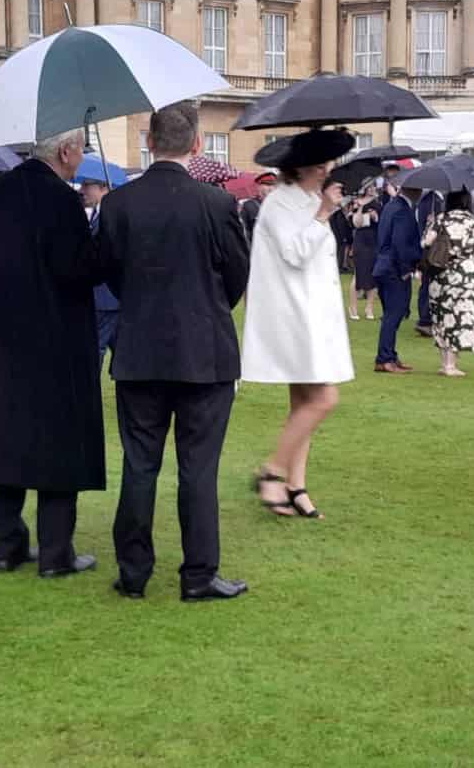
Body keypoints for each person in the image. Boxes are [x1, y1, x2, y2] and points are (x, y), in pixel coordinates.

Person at [99, 103, 251, 600]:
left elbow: (111, 273)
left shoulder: (123, 203)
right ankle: (198, 575)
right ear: (196, 144)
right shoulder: (212, 203)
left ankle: (135, 571)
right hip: (200, 351)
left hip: (143, 347)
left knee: (141, 464)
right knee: (197, 468)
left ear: (149, 142)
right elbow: (236, 276)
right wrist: (206, 308)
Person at [0, 128, 102, 579]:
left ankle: (7, 545)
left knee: (7, 438)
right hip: (53, 341)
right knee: (58, 444)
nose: (82, 159)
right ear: (65, 151)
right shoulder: (62, 202)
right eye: (81, 150)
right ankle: (55, 552)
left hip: (1, 339)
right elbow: (76, 273)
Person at [240, 128, 352, 521]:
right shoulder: (280, 203)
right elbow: (294, 253)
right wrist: (323, 214)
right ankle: (272, 471)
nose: (329, 168)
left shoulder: (306, 199)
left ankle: (296, 486)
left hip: (312, 314)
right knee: (323, 399)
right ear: (310, 166)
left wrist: (322, 210)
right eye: (325, 162)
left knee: (304, 404)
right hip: (293, 318)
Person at [424, 189, 474, 377]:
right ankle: (451, 364)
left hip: (440, 272)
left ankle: (444, 363)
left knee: (441, 317)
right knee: (459, 318)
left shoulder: (440, 219)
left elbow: (425, 243)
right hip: (464, 275)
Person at [372, 181, 423, 374]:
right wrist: (406, 268)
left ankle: (389, 355)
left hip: (383, 266)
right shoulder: (402, 211)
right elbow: (400, 243)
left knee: (391, 314)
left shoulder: (390, 206)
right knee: (394, 314)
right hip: (394, 269)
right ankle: (385, 358)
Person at [79, 177, 120, 367]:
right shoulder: (97, 213)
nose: (82, 190)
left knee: (96, 350)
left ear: (103, 187)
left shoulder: (111, 215)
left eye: (88, 185)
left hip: (107, 298)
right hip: (103, 297)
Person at [414, 189, 444, 336]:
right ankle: (426, 319)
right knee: (428, 284)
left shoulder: (431, 199)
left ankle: (426, 318)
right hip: (431, 248)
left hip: (428, 247)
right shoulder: (432, 200)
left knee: (427, 284)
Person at [348, 190, 379, 320]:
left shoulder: (378, 201)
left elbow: (379, 220)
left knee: (373, 274)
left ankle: (369, 307)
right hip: (361, 240)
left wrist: (374, 216)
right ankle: (353, 307)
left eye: (373, 185)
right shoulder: (355, 202)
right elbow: (356, 223)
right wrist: (360, 208)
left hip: (374, 240)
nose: (372, 188)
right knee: (358, 273)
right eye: (369, 186)